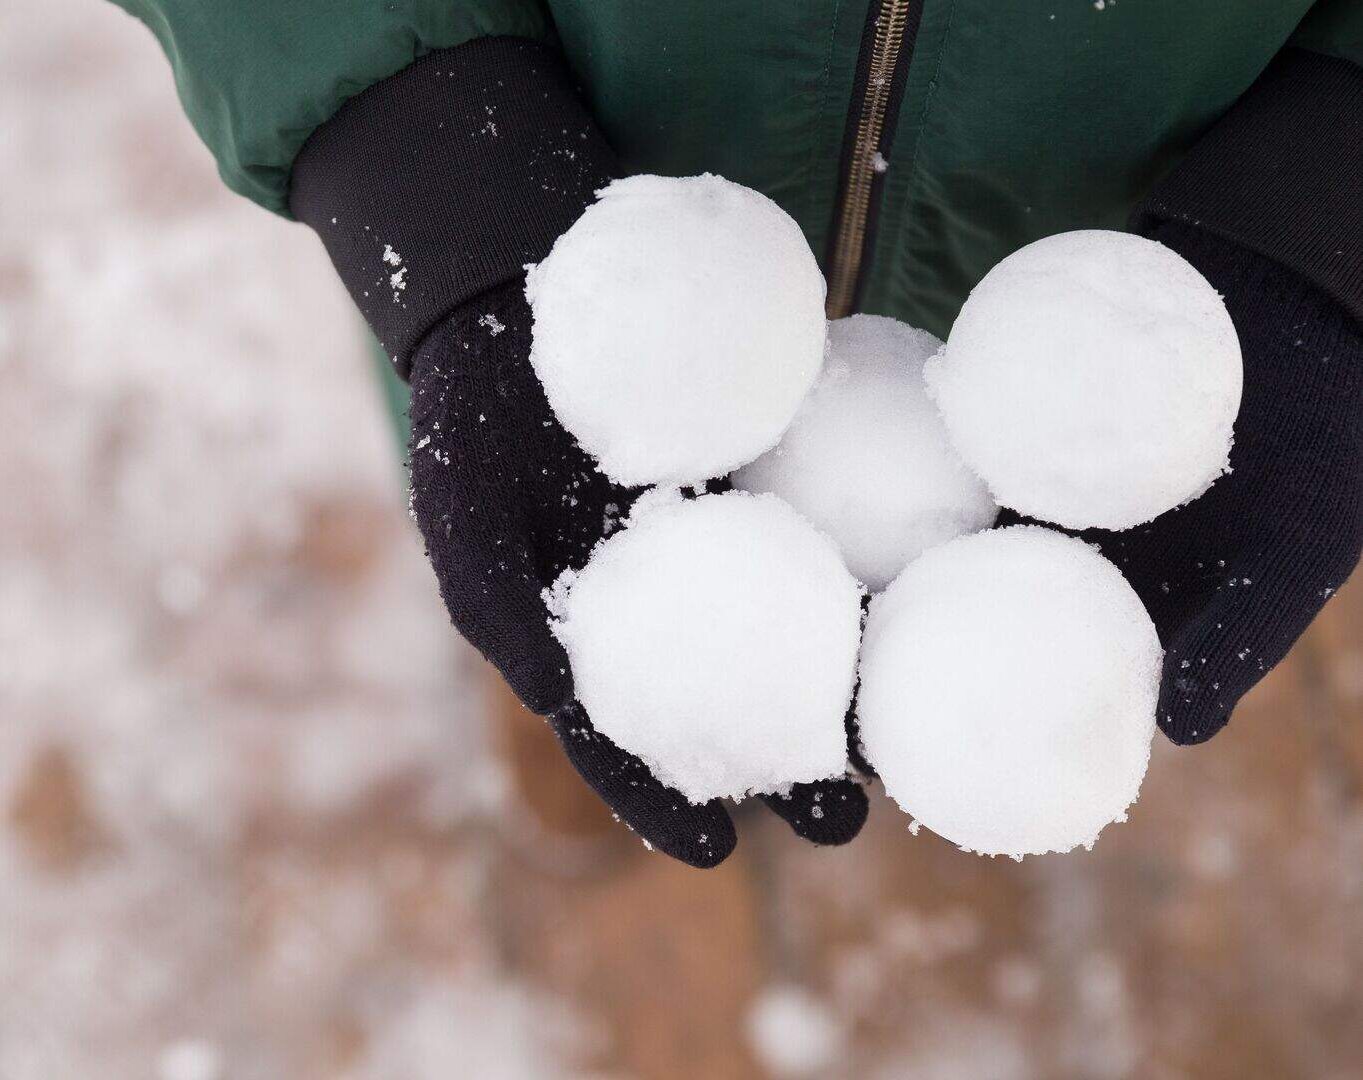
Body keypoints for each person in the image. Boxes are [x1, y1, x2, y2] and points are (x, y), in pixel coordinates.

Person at [104, 2, 1363, 867]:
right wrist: (430, 167)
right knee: (521, 503)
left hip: (1149, 205)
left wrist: (1329, 218)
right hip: (565, 211)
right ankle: (618, 690)